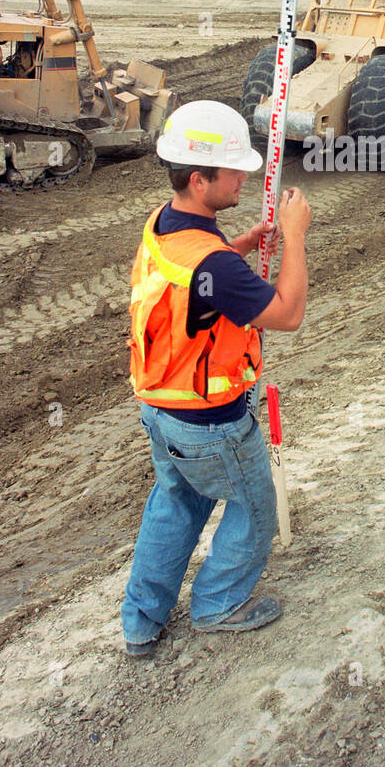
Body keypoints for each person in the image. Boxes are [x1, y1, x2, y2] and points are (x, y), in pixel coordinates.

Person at [121, 99, 311, 657]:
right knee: (254, 509)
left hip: (161, 406)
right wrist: (294, 235)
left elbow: (199, 277)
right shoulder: (213, 264)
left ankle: (141, 621)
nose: (245, 178)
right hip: (210, 422)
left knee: (175, 500)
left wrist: (241, 246)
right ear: (200, 180)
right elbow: (288, 314)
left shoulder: (166, 224)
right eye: (234, 171)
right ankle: (219, 603)